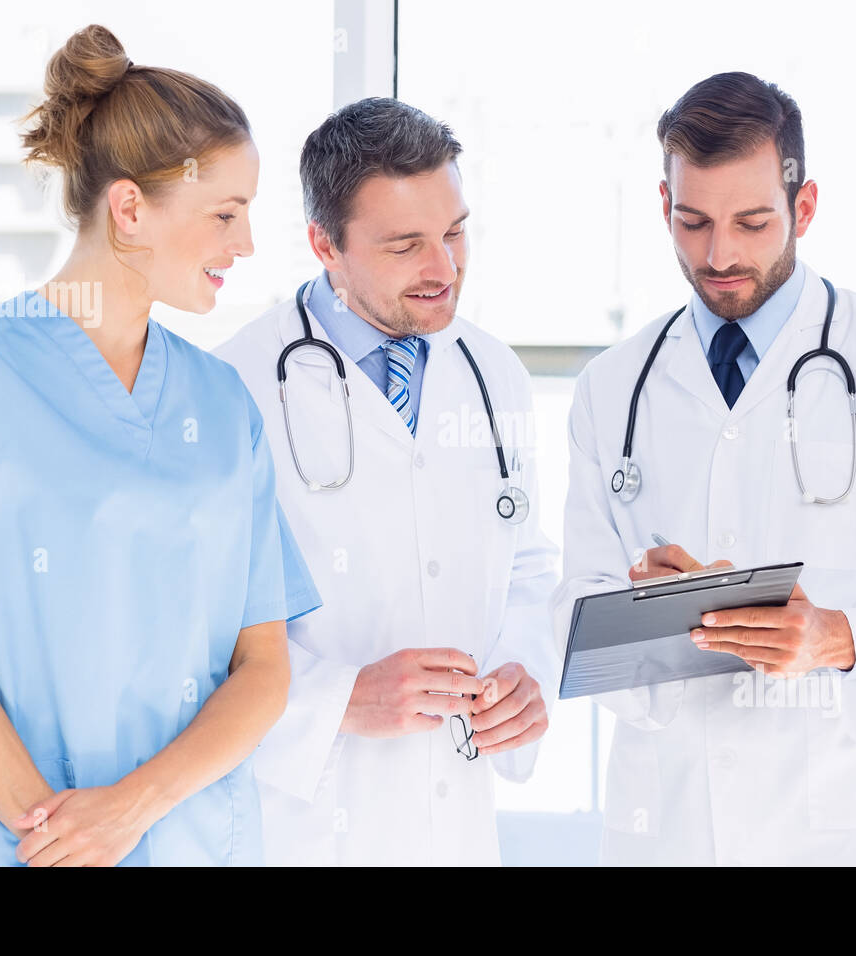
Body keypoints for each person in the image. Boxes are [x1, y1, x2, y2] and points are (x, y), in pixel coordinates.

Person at [0, 24, 320, 866]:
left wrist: (131, 812)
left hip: (186, 840)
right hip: (7, 848)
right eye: (224, 214)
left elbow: (264, 665)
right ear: (130, 207)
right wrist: (65, 842)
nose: (243, 246)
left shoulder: (222, 405)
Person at [551, 72, 856, 866]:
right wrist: (639, 610)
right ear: (664, 208)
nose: (719, 254)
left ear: (803, 209)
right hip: (669, 829)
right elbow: (571, 617)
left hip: (854, 825)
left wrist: (836, 638)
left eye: (753, 222)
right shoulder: (611, 389)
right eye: (692, 221)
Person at [213, 98, 559, 865]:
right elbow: (192, 643)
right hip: (302, 832)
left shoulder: (493, 373)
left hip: (460, 827)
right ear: (323, 245)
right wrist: (338, 699)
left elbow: (528, 564)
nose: (444, 269)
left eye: (455, 232)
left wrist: (528, 674)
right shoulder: (231, 387)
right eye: (406, 246)